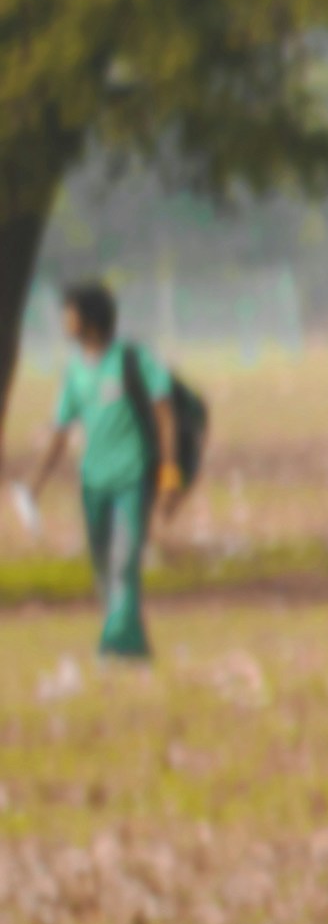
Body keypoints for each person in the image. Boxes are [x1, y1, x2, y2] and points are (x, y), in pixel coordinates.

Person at [26, 278, 180, 664]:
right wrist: (35, 485)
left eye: (70, 312)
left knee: (124, 560)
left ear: (90, 318)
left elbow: (164, 415)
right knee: (103, 566)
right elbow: (60, 433)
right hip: (93, 482)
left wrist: (169, 473)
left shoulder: (131, 359)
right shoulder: (75, 371)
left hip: (132, 477)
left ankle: (113, 648)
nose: (64, 320)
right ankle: (134, 646)